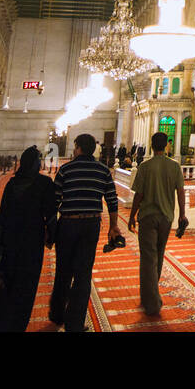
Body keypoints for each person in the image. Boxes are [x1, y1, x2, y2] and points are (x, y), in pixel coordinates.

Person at [49, 133, 120, 332]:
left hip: (68, 225)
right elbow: (112, 200)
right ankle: (75, 324)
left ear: (78, 148)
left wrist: (50, 230)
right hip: (91, 225)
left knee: (63, 270)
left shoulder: (66, 170)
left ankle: (57, 314)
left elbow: (54, 201)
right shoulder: (102, 171)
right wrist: (114, 227)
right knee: (82, 273)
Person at [0, 146, 59, 331]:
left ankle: (2, 323)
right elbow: (51, 214)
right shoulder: (44, 183)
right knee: (26, 284)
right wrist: (51, 237)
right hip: (31, 241)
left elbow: (2, 217)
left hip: (9, 240)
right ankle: (18, 324)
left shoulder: (12, 184)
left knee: (8, 280)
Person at [129, 131, 187, 317]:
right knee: (158, 256)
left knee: (148, 259)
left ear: (152, 146)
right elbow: (180, 192)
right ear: (167, 146)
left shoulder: (145, 167)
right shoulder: (174, 166)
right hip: (166, 218)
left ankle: (151, 301)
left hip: (147, 217)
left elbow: (139, 195)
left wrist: (132, 216)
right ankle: (151, 294)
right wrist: (182, 215)